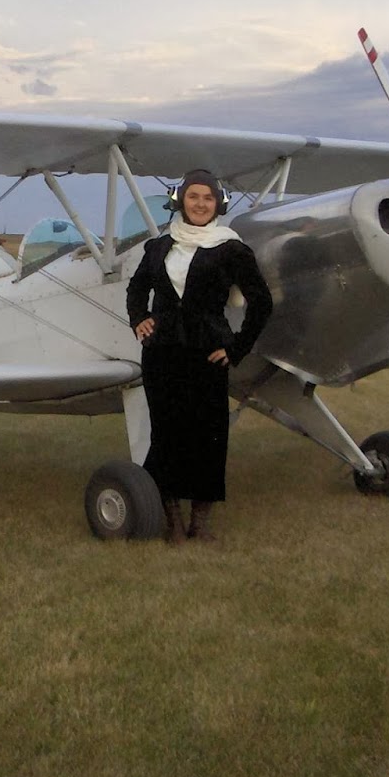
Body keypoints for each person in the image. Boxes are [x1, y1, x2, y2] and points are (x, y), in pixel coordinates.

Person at [126, 169, 273, 544]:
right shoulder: (158, 247)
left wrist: (237, 348)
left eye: (208, 198)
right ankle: (173, 520)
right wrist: (139, 319)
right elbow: (137, 286)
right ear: (180, 200)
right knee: (167, 436)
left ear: (218, 204)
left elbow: (262, 303)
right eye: (193, 197)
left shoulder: (231, 249)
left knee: (208, 437)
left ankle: (200, 522)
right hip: (162, 356)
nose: (200, 204)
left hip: (208, 354)